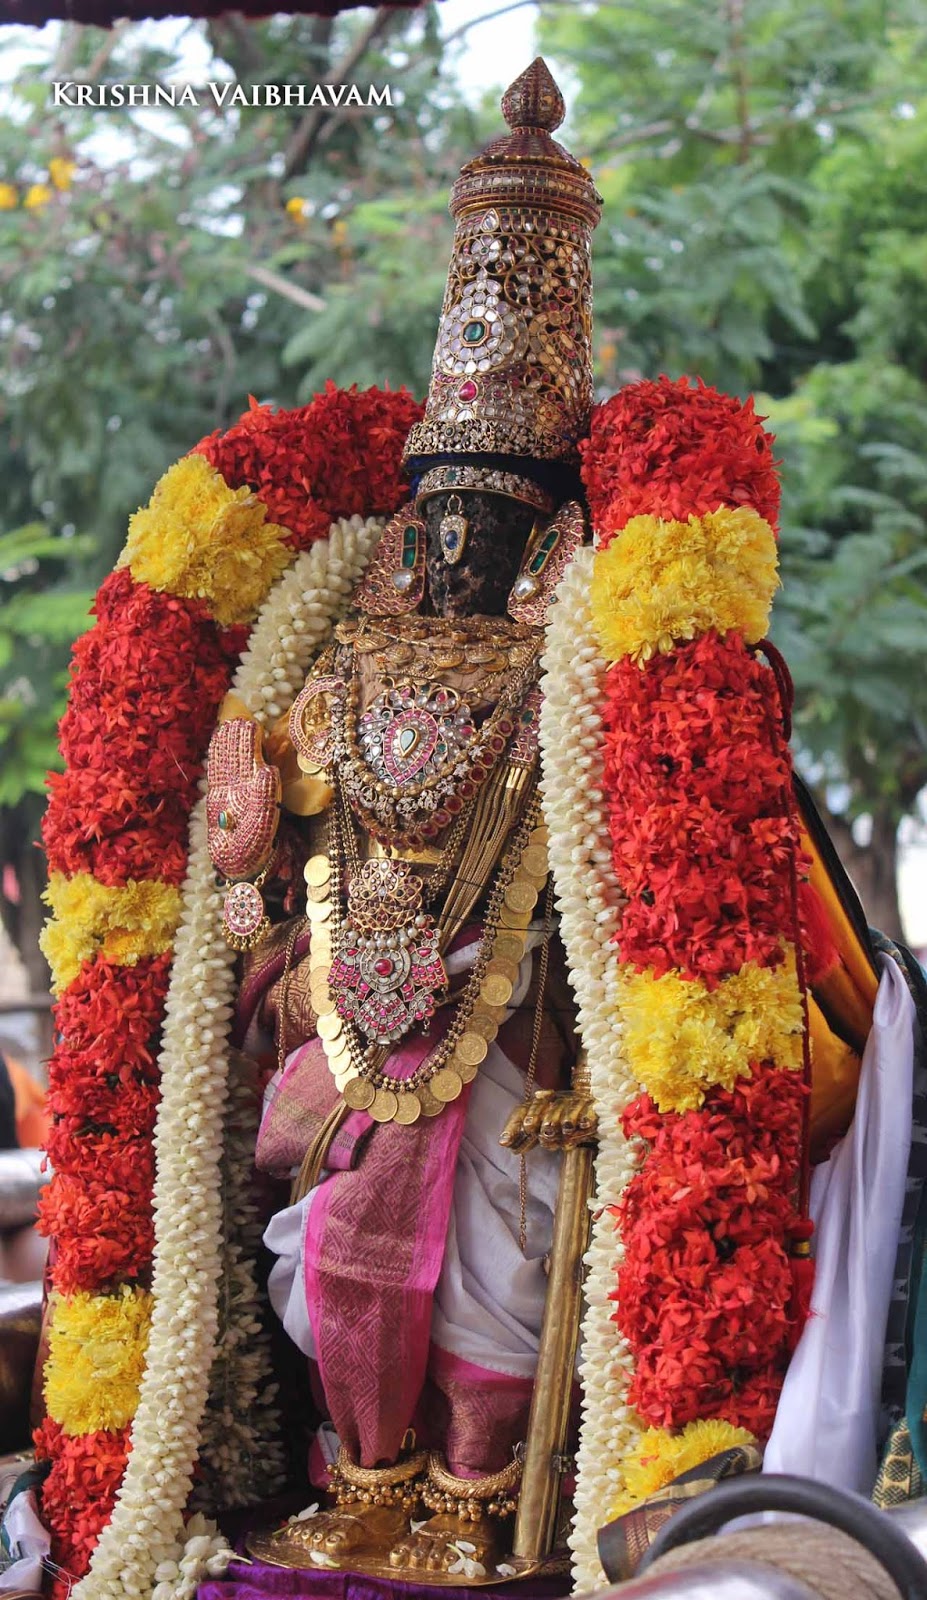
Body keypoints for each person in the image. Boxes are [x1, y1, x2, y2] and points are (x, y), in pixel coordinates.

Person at [202, 58, 925, 1585]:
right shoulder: (340, 645)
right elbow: (285, 861)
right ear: (407, 512)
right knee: (334, 1265)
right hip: (355, 1043)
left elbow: (669, 845)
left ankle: (474, 1510)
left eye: (493, 515)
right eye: (437, 515)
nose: (457, 545)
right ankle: (369, 1484)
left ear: (546, 518)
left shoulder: (602, 639)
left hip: (532, 1035)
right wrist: (255, 868)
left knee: (501, 1293)